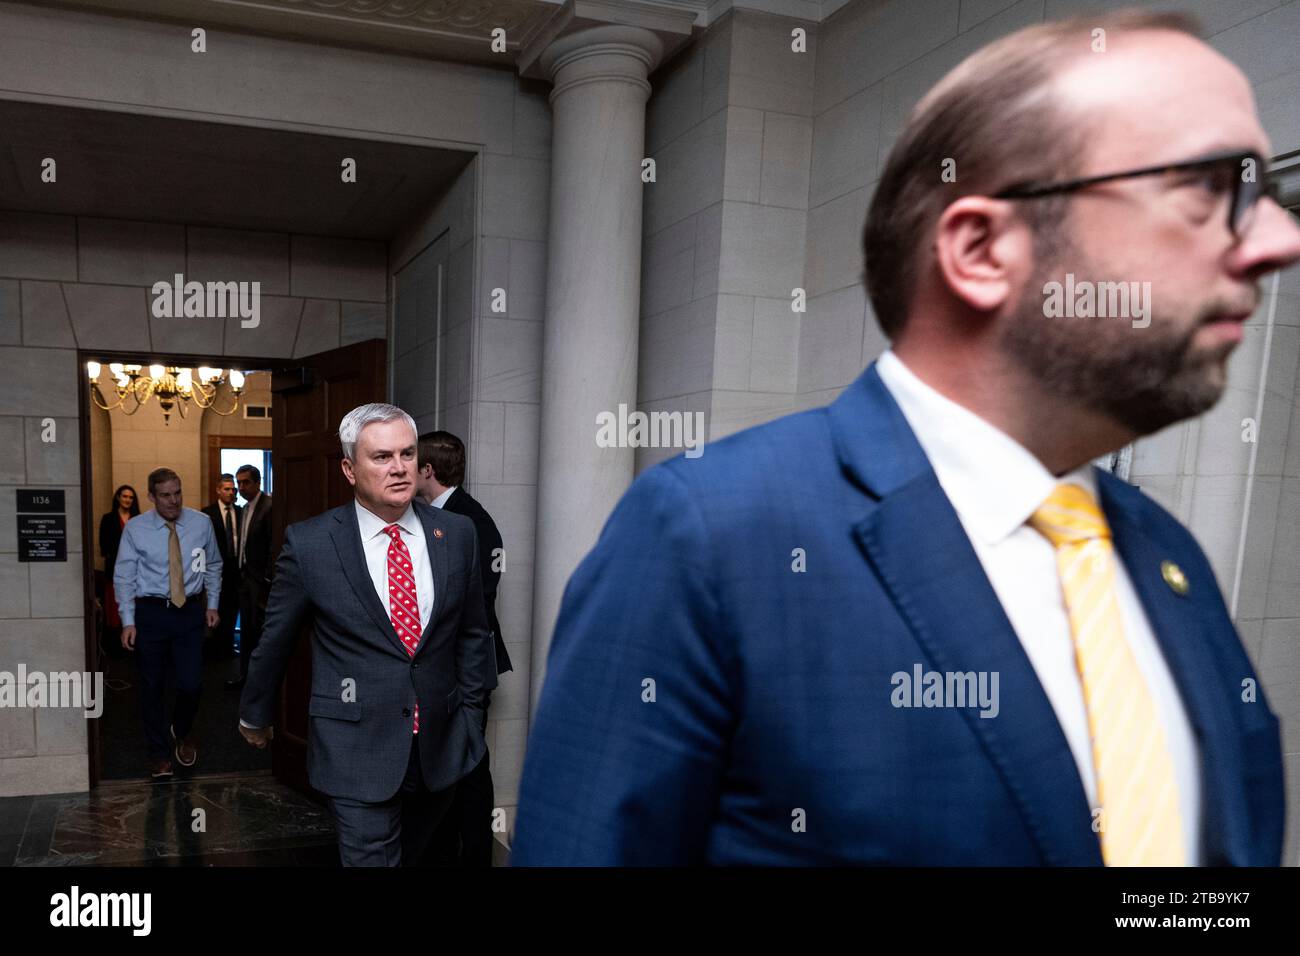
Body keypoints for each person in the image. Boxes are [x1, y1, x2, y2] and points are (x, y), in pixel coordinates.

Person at [512, 11, 1300, 866]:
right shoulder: (711, 536)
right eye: (1213, 189)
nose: (1280, 241)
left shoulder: (1162, 550)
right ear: (983, 249)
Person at [237, 403, 496, 866]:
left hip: (441, 744)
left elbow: (474, 632)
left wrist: (470, 717)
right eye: (381, 457)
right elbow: (275, 640)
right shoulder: (312, 543)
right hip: (356, 749)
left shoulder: (456, 534)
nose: (399, 468)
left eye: (407, 454)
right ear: (349, 469)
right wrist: (255, 714)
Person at [416, 430, 511, 867]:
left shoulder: (473, 521)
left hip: (465, 666)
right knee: (443, 759)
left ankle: (475, 856)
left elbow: (474, 608)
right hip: (439, 667)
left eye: (411, 461)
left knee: (470, 765)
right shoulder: (430, 514)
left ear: (428, 471)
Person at [114, 468, 222, 779]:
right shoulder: (136, 529)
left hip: (189, 611)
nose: (173, 501)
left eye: (177, 493)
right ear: (151, 497)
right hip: (151, 613)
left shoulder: (201, 524)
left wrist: (211, 604)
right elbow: (124, 577)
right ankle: (159, 753)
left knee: (192, 683)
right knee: (151, 685)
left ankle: (182, 728)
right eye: (165, 495)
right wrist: (128, 621)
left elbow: (212, 564)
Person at [227, 464, 272, 689]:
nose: (241, 487)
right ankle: (245, 676)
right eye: (239, 483)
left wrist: (267, 579)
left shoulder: (268, 506)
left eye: (245, 482)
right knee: (246, 631)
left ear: (257, 483)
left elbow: (274, 547)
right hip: (244, 578)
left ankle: (260, 682)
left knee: (259, 632)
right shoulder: (243, 508)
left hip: (260, 582)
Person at [201, 474, 242, 661]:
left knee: (233, 607)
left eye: (233, 489)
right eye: (226, 489)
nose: (231, 492)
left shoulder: (241, 512)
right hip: (215, 567)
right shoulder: (207, 514)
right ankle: (214, 647)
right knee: (215, 606)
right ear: (218, 490)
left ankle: (228, 646)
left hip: (236, 568)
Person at [98, 484, 140, 651]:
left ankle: (133, 644)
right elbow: (104, 546)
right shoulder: (108, 518)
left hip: (137, 573)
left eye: (130, 497)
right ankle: (116, 646)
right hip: (114, 572)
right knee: (114, 612)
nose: (127, 500)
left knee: (133, 609)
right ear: (118, 498)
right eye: (124, 496)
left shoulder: (138, 520)